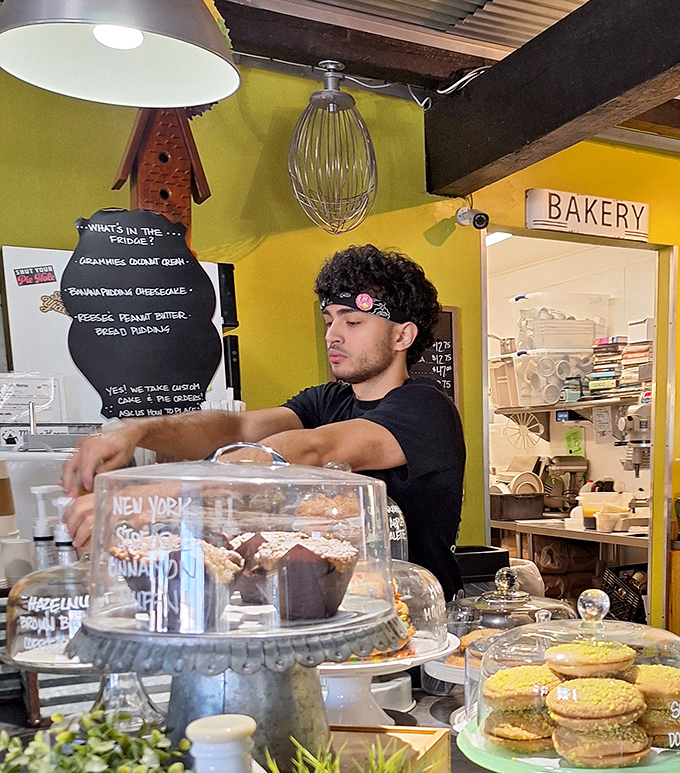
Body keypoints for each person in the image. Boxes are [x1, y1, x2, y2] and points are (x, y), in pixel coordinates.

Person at [62, 244, 466, 599]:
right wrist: (136, 430)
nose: (332, 335)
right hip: (338, 606)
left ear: (402, 337)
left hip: (417, 616)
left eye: (352, 321)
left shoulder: (426, 408)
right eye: (329, 321)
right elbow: (235, 429)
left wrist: (155, 497)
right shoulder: (328, 400)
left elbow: (311, 449)